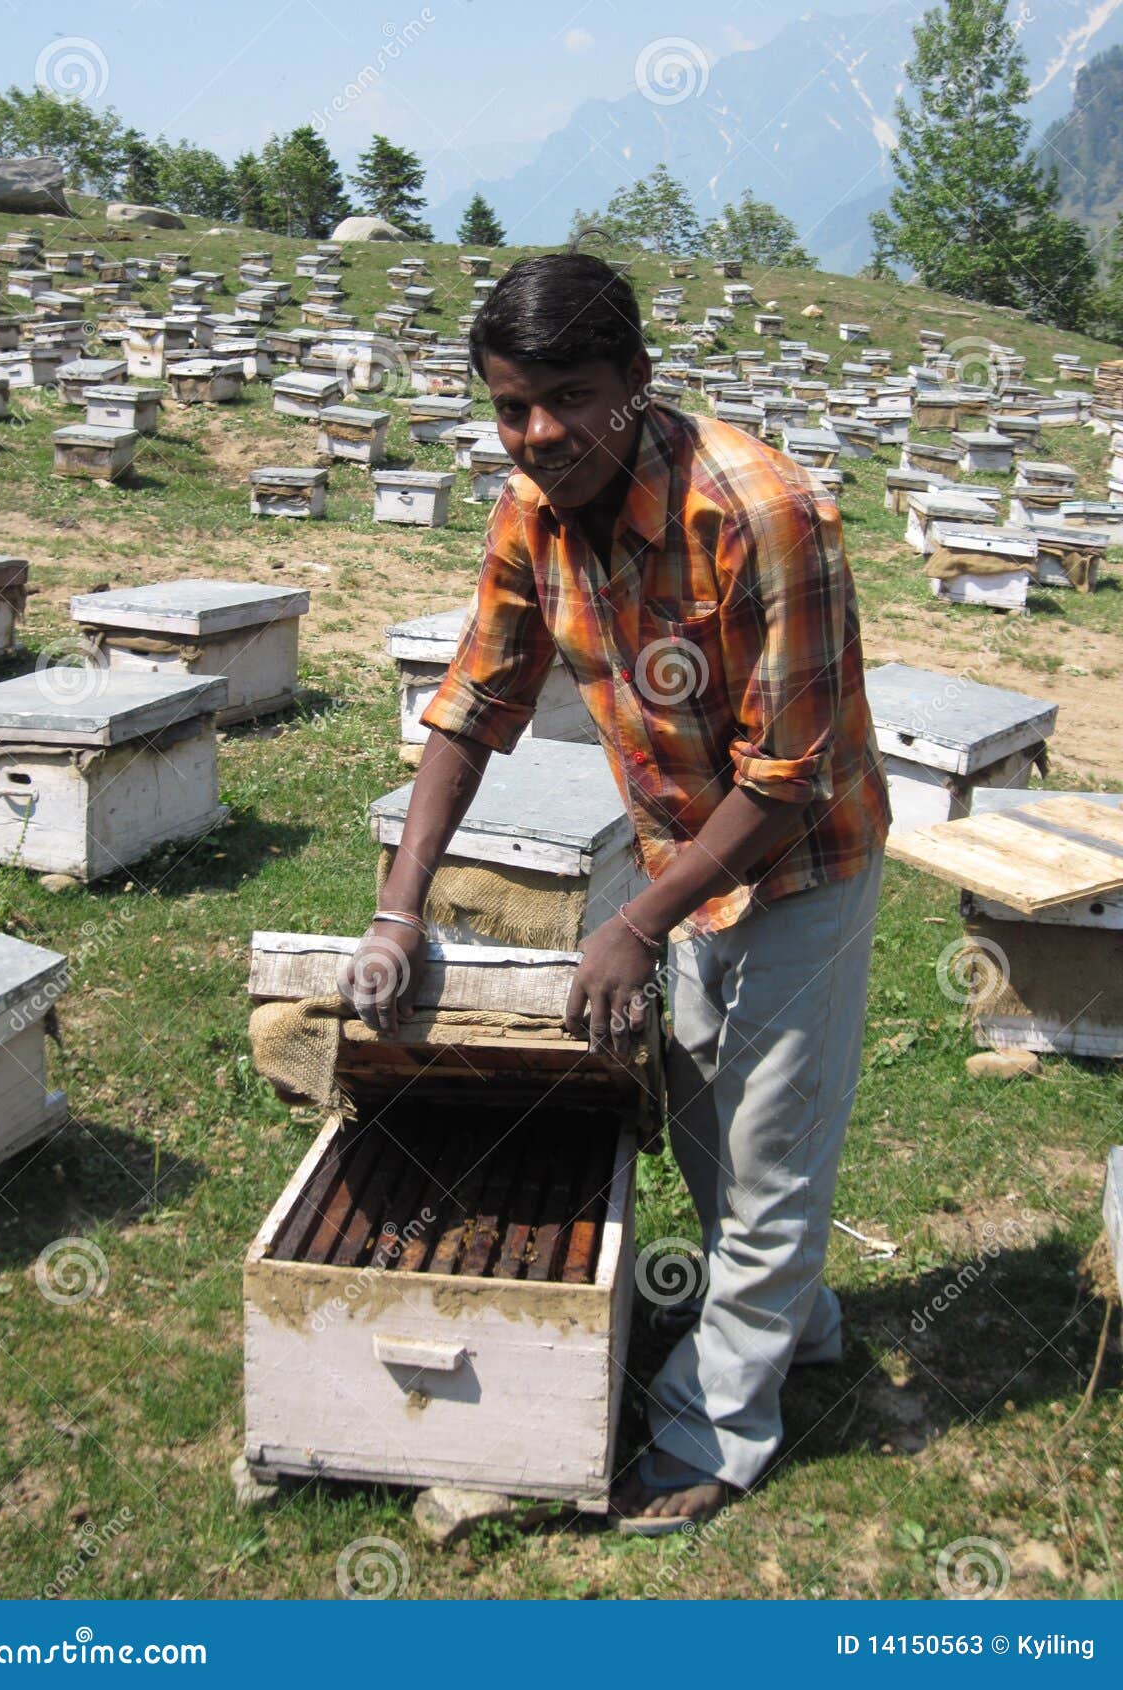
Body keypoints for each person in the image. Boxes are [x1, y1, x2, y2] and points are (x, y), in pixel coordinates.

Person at [340, 252, 890, 1533]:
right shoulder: (529, 513)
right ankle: (797, 1321)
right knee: (700, 1124)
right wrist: (398, 908)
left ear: (637, 380)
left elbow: (791, 777)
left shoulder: (764, 514)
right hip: (678, 861)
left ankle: (711, 1432)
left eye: (571, 398)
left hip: (804, 860)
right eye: (512, 408)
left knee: (767, 1149)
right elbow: (473, 706)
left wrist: (634, 924)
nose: (541, 435)